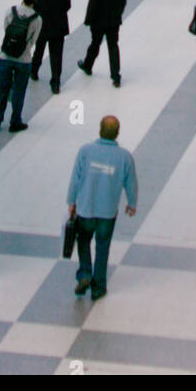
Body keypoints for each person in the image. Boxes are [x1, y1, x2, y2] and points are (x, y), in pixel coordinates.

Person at [67, 115, 137, 299]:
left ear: (99, 130)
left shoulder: (85, 151)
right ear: (117, 134)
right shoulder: (124, 157)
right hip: (107, 212)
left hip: (85, 209)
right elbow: (131, 183)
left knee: (83, 242)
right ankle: (98, 287)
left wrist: (71, 201)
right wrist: (132, 203)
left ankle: (85, 274)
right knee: (103, 246)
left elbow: (76, 179)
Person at [0, 0, 42, 132]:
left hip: (5, 55)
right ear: (35, 1)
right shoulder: (37, 19)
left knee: (1, 88)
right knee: (19, 90)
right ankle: (15, 121)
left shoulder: (11, 11)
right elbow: (33, 40)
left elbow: (6, 29)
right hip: (23, 59)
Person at [78, 0, 126, 88]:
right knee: (113, 46)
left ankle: (88, 65)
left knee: (95, 43)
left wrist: (88, 19)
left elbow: (93, 2)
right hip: (114, 20)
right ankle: (116, 76)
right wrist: (118, 13)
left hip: (99, 21)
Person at [29, 0, 72, 94]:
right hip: (58, 26)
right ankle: (55, 82)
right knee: (56, 55)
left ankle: (34, 71)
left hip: (41, 25)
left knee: (38, 51)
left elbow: (32, 5)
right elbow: (67, 6)